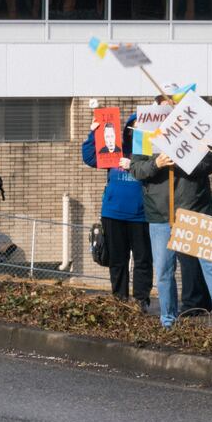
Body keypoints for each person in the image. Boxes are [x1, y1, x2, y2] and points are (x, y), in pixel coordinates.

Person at [128, 142, 212, 327]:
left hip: (195, 211)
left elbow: (210, 163)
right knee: (164, 269)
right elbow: (136, 170)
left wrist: (182, 159)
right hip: (160, 214)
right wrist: (157, 163)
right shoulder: (147, 136)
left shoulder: (195, 134)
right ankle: (168, 319)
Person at [80, 110, 151, 307]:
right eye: (132, 128)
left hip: (141, 215)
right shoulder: (114, 150)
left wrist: (134, 164)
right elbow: (89, 158)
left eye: (140, 129)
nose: (135, 132)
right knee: (118, 260)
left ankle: (141, 301)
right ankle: (119, 300)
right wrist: (93, 133)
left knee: (143, 260)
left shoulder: (150, 153)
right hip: (113, 213)